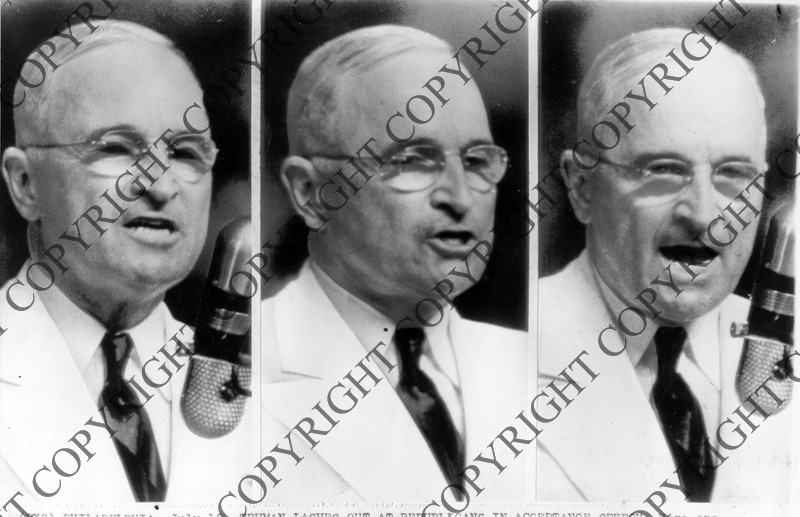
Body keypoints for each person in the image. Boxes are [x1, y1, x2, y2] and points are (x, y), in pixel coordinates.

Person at [260, 25, 528, 502]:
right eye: (412, 161)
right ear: (310, 192)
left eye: (476, 161)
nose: (460, 198)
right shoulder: (241, 371)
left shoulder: (544, 367)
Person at [537, 28, 794, 503]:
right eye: (663, 170)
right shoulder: (508, 354)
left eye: (733, 174)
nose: (705, 216)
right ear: (581, 186)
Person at [0, 21, 250, 503]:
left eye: (185, 152)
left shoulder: (269, 390)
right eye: (115, 148)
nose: (160, 185)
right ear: (25, 184)